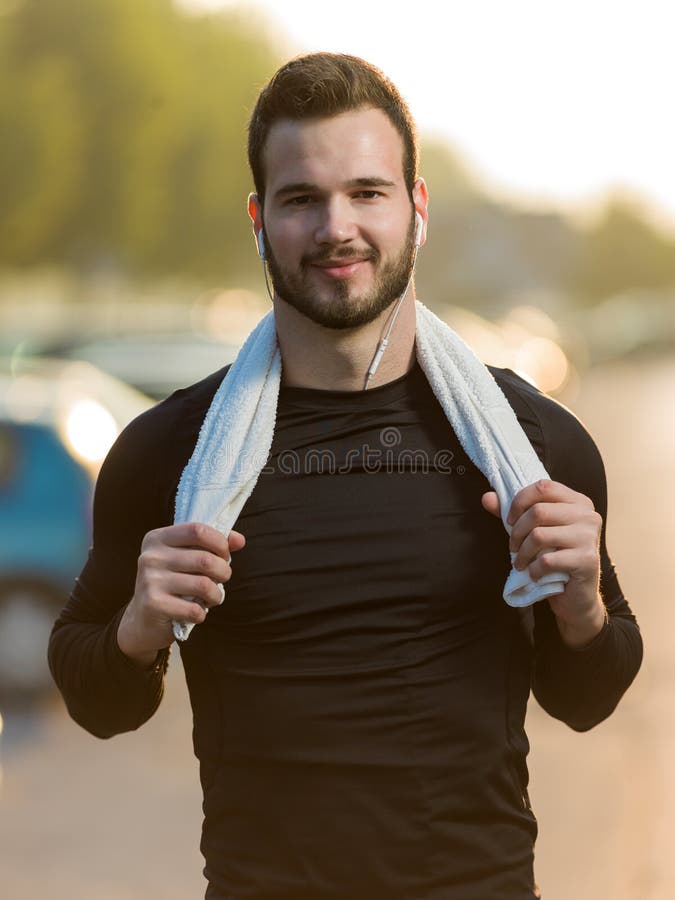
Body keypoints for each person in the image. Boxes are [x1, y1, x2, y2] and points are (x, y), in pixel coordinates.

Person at [49, 53, 642, 900]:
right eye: (301, 198)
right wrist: (139, 627)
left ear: (416, 209)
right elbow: (96, 699)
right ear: (259, 219)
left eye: (367, 192)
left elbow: (587, 698)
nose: (337, 227)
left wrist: (580, 604)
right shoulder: (168, 454)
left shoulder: (532, 443)